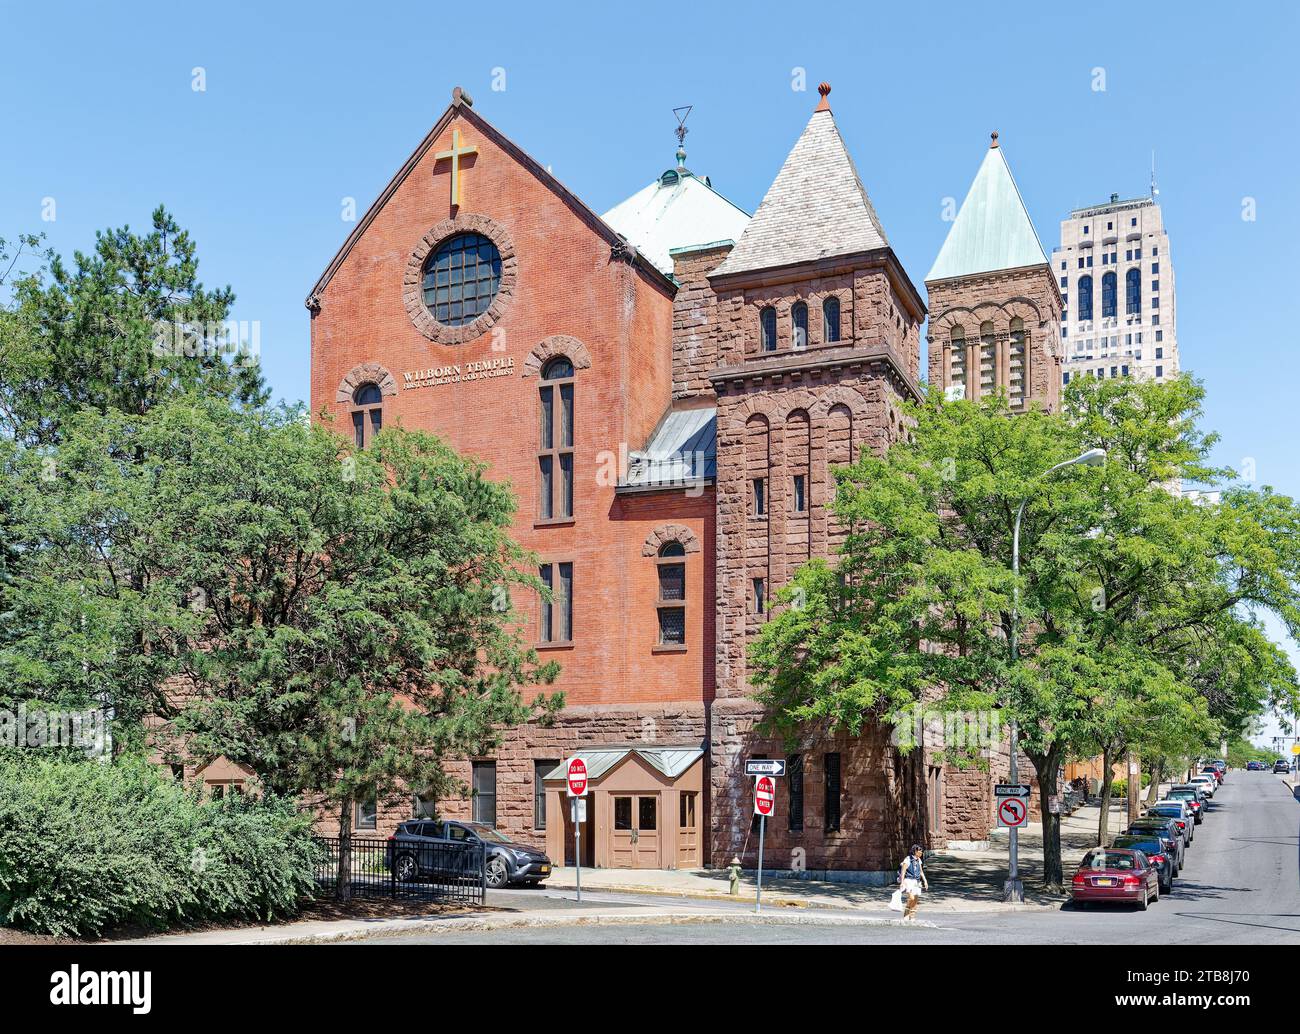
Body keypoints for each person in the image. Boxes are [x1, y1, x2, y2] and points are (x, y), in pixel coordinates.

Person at [898, 844, 928, 922]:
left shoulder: (919, 860)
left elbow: (921, 872)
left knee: (915, 900)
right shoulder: (907, 859)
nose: (921, 853)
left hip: (917, 881)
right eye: (919, 851)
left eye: (921, 851)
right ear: (915, 851)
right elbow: (903, 872)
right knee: (911, 898)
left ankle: (912, 916)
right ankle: (906, 913)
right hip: (908, 881)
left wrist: (925, 881)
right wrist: (902, 882)